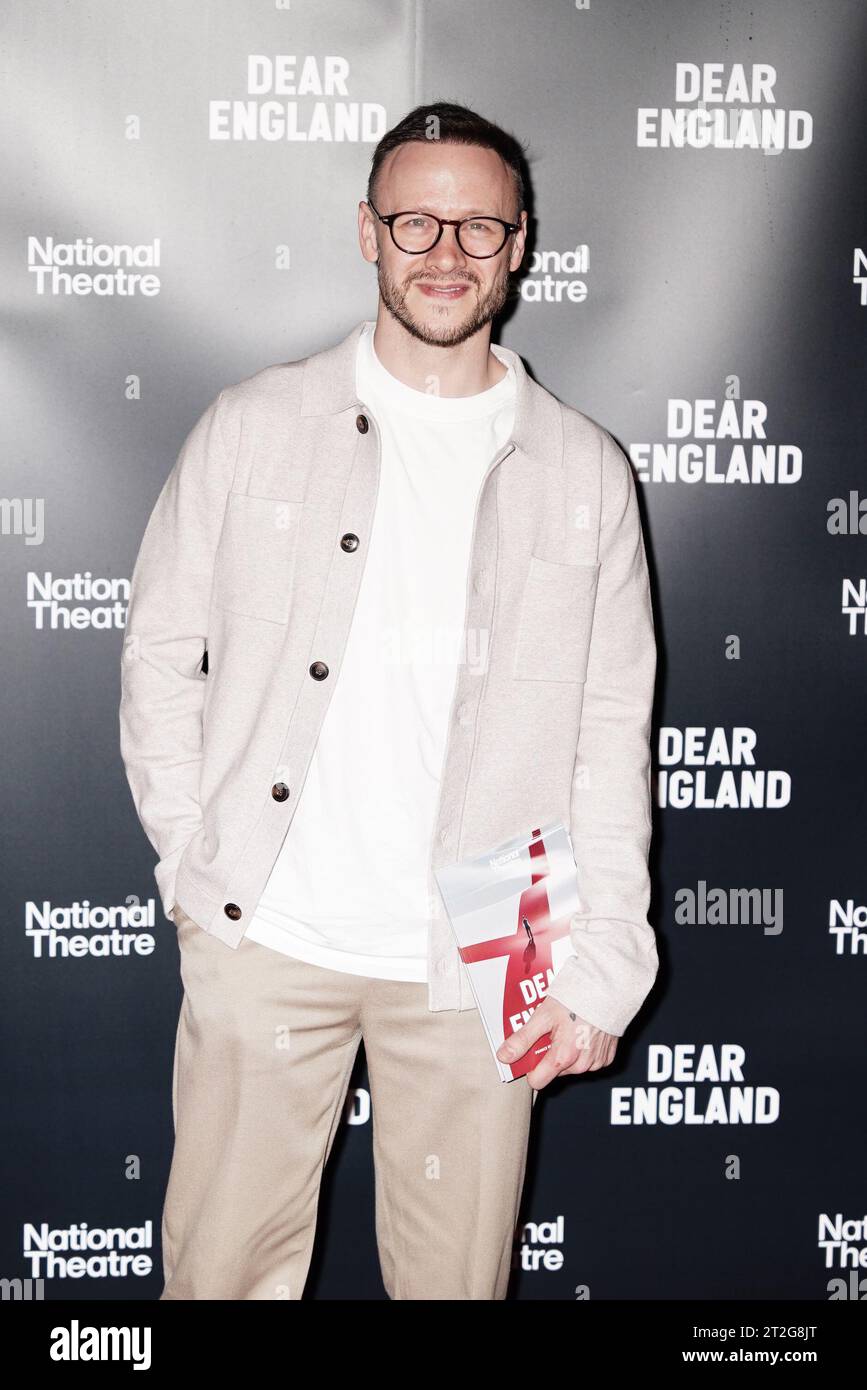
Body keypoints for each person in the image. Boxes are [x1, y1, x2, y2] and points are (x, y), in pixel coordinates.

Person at [119, 100, 659, 1301]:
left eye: (479, 225)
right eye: (417, 219)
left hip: (492, 948)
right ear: (366, 231)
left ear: (520, 245)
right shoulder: (254, 426)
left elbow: (607, 743)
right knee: (216, 1283)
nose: (446, 251)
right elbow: (160, 655)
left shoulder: (584, 472)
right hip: (267, 924)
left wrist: (600, 961)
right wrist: (194, 868)